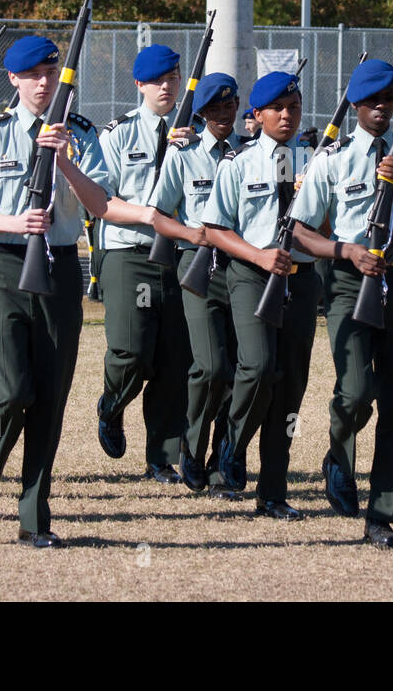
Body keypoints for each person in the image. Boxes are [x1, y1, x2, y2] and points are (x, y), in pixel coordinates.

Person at [0, 35, 147, 547]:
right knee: (13, 387)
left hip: (59, 268)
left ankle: (34, 518)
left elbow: (101, 205)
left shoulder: (80, 136)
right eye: (32, 75)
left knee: (51, 398)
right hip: (4, 266)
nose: (44, 83)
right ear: (14, 80)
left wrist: (64, 161)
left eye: (51, 73)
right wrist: (14, 223)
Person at [289, 59, 393, 548]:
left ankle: (381, 515)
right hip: (345, 282)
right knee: (357, 391)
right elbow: (297, 230)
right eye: (373, 102)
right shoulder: (332, 159)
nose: (382, 109)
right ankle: (340, 450)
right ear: (356, 106)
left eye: (389, 101)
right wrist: (346, 250)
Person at [201, 71, 319, 521]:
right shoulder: (239, 163)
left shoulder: (312, 161)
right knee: (258, 366)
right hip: (251, 275)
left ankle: (272, 492)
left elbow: (328, 228)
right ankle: (230, 442)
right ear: (258, 115)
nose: (287, 116)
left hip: (301, 280)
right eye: (278, 109)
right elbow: (214, 229)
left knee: (289, 388)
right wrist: (260, 255)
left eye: (293, 107)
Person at [95, 44, 193, 484]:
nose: (167, 87)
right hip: (128, 252)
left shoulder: (193, 134)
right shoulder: (117, 135)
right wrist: (147, 213)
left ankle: (161, 456)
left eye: (173, 78)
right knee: (131, 351)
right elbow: (102, 202)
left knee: (174, 360)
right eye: (158, 81)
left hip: (176, 255)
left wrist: (187, 154)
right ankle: (111, 404)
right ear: (139, 85)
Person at [147, 73, 242, 500]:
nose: (224, 115)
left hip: (243, 269)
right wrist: (192, 235)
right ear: (202, 113)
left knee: (243, 370)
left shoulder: (250, 154)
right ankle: (191, 445)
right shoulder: (182, 155)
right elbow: (157, 215)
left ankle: (224, 463)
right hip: (198, 268)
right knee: (211, 366)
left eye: (230, 106)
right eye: (215, 109)